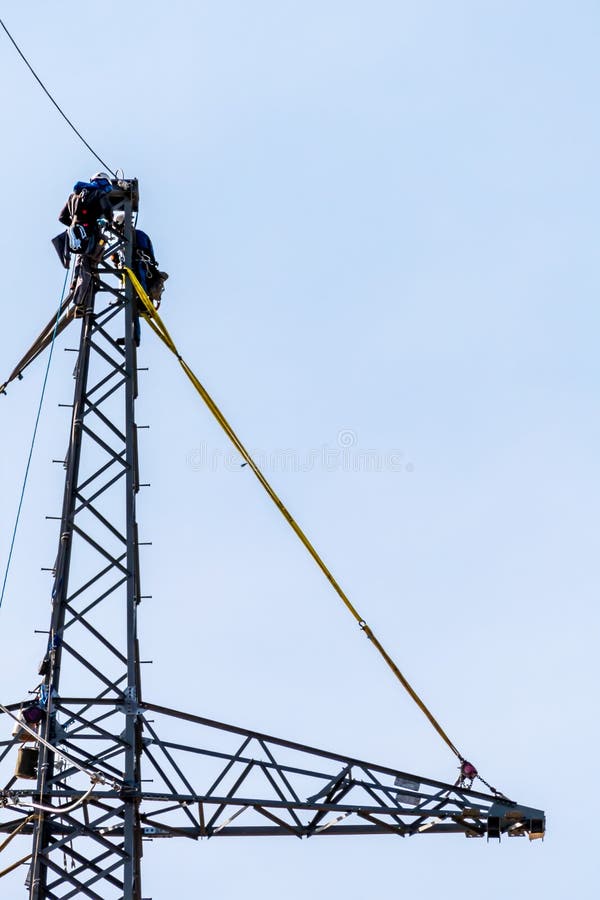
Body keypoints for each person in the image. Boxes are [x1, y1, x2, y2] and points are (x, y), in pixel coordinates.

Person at [58, 173, 113, 258]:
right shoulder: (99, 192)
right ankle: (93, 262)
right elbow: (107, 208)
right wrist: (109, 221)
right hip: (89, 234)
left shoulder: (72, 196)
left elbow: (62, 217)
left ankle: (81, 266)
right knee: (103, 239)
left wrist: (77, 226)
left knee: (82, 253)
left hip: (74, 237)